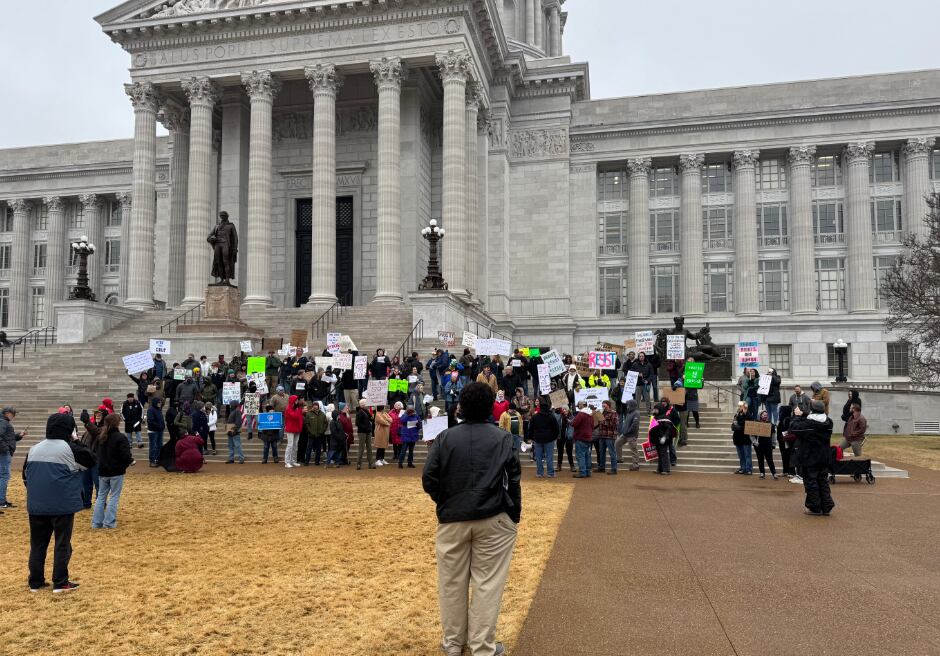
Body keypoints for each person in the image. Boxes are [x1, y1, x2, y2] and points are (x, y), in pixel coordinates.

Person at [422, 382, 521, 656]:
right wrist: (514, 514)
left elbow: (429, 477)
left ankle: (453, 644)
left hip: (453, 518)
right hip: (493, 516)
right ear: (491, 407)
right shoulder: (502, 437)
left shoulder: (445, 438)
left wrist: (445, 501)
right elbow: (513, 478)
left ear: (461, 408)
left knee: (452, 583)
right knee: (488, 584)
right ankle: (481, 647)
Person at [23, 412, 96, 592]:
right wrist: (76, 440)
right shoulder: (71, 449)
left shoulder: (34, 448)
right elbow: (91, 459)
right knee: (62, 543)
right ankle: (60, 581)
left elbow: (25, 476)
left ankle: (35, 582)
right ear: (69, 429)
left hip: (36, 505)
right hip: (62, 505)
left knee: (38, 545)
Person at [790, 400, 835, 516]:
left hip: (810, 456)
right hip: (824, 456)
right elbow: (813, 420)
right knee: (823, 481)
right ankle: (826, 506)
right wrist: (804, 415)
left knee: (811, 482)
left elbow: (794, 428)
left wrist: (797, 416)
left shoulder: (809, 424)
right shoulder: (829, 422)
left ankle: (815, 507)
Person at [91, 413, 134, 529]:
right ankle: (109, 522)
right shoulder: (120, 437)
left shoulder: (101, 437)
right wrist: (124, 465)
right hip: (116, 472)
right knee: (114, 497)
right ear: (117, 423)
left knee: (101, 497)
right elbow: (126, 456)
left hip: (103, 471)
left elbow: (97, 454)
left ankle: (96, 523)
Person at [0, 406, 26, 511]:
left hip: (4, 452)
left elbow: (8, 438)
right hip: (3, 453)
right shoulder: (3, 422)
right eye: (13, 414)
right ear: (7, 413)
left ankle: (2, 500)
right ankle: (1, 501)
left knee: (3, 476)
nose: (14, 416)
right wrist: (5, 449)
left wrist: (19, 435)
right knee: (4, 476)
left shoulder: (4, 422)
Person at [526, 399, 557, 478]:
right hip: (549, 439)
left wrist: (531, 437)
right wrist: (554, 437)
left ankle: (540, 473)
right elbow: (556, 428)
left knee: (539, 457)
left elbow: (531, 428)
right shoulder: (551, 416)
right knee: (549, 457)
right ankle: (550, 473)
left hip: (538, 439)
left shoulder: (535, 416)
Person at [614, 399, 641, 471]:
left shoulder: (636, 413)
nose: (627, 406)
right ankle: (619, 458)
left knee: (633, 449)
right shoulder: (629, 413)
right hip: (625, 434)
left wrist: (628, 431)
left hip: (632, 435)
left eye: (628, 405)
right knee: (617, 443)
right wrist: (623, 431)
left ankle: (635, 465)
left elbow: (635, 424)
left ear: (631, 405)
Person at [570, 402, 595, 478]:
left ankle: (582, 472)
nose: (577, 406)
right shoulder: (590, 415)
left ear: (582, 405)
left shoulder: (581, 414)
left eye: (578, 405)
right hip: (588, 437)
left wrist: (571, 421)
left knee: (580, 456)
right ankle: (587, 472)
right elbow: (592, 426)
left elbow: (574, 424)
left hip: (581, 437)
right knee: (587, 456)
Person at [649, 407, 676, 475]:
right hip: (657, 439)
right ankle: (660, 469)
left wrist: (664, 437)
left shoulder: (665, 418)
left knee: (663, 454)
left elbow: (669, 429)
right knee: (660, 454)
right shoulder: (655, 417)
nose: (654, 410)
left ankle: (666, 470)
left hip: (663, 439)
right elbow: (653, 429)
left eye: (656, 409)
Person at [754, 409, 778, 480]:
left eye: (766, 415)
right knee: (760, 459)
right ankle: (762, 473)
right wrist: (755, 442)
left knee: (770, 459)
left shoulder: (771, 424)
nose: (765, 416)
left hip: (768, 444)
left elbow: (774, 435)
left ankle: (774, 473)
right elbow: (751, 434)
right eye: (764, 415)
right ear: (760, 416)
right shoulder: (756, 424)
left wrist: (774, 443)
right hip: (759, 444)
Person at [303, 401, 328, 466]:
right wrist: (310, 431)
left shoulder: (322, 414)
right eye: (314, 405)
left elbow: (325, 424)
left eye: (316, 405)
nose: (315, 406)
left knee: (318, 449)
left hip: (319, 435)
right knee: (309, 449)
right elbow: (306, 424)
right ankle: (306, 462)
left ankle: (317, 461)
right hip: (311, 435)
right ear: (312, 406)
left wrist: (322, 431)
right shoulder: (308, 414)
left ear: (318, 406)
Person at [597, 399, 619, 474]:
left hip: (610, 436)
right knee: (601, 452)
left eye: (604, 404)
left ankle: (614, 469)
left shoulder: (614, 413)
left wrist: (602, 421)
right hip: (602, 435)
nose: (603, 405)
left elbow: (614, 424)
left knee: (612, 452)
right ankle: (602, 467)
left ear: (608, 405)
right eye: (602, 403)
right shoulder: (601, 413)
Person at [283, 394, 305, 468]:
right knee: (290, 445)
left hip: (296, 428)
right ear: (293, 401)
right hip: (290, 428)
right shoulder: (289, 408)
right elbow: (295, 416)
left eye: (297, 400)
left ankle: (293, 461)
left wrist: (300, 427)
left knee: (295, 446)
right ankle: (287, 462)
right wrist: (298, 410)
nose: (297, 401)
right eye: (296, 400)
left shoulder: (297, 408)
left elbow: (300, 419)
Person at [732, 401, 753, 475]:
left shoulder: (748, 414)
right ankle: (743, 468)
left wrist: (745, 413)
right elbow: (733, 425)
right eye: (739, 406)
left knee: (747, 455)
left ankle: (749, 469)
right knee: (741, 455)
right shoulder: (736, 415)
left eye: (741, 406)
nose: (739, 407)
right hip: (738, 438)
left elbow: (750, 423)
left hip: (746, 438)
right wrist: (735, 427)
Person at [355, 400, 375, 470]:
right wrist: (365, 427)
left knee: (369, 448)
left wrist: (372, 415)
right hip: (362, 432)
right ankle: (358, 464)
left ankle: (371, 463)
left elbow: (371, 419)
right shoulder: (359, 412)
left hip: (368, 432)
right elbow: (357, 423)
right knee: (361, 448)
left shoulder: (366, 411)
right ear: (363, 404)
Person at [146, 398, 165, 468]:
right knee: (153, 446)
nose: (160, 403)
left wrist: (163, 426)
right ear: (155, 403)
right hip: (153, 431)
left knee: (160, 445)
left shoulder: (158, 410)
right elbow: (150, 421)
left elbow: (161, 419)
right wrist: (159, 426)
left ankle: (157, 459)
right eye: (159, 402)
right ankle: (152, 460)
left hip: (160, 430)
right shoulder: (150, 410)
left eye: (160, 402)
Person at [224, 401, 245, 465]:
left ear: (234, 405)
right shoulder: (232, 411)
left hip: (234, 430)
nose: (230, 405)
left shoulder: (237, 411)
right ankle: (231, 459)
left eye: (231, 404)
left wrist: (235, 430)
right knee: (230, 445)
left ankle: (241, 458)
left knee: (237, 445)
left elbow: (239, 422)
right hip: (230, 429)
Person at [555, 406, 574, 473]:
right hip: (560, 436)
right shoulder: (559, 416)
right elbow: (555, 420)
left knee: (569, 452)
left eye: (565, 409)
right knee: (560, 452)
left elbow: (572, 425)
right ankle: (559, 466)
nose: (564, 410)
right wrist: (559, 413)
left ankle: (572, 466)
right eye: (563, 409)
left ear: (568, 410)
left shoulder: (571, 417)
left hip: (568, 436)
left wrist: (568, 420)